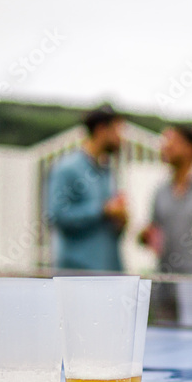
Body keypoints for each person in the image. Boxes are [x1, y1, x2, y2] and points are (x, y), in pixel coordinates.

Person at [138, 124, 192, 320]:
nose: (165, 147)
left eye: (172, 142)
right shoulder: (160, 190)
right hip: (165, 287)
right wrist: (145, 236)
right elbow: (152, 230)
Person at [46, 105, 127, 272]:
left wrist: (120, 220)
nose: (122, 138)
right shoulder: (67, 168)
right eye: (118, 131)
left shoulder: (107, 172)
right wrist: (103, 210)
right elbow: (57, 215)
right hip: (77, 274)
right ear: (101, 130)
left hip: (107, 271)